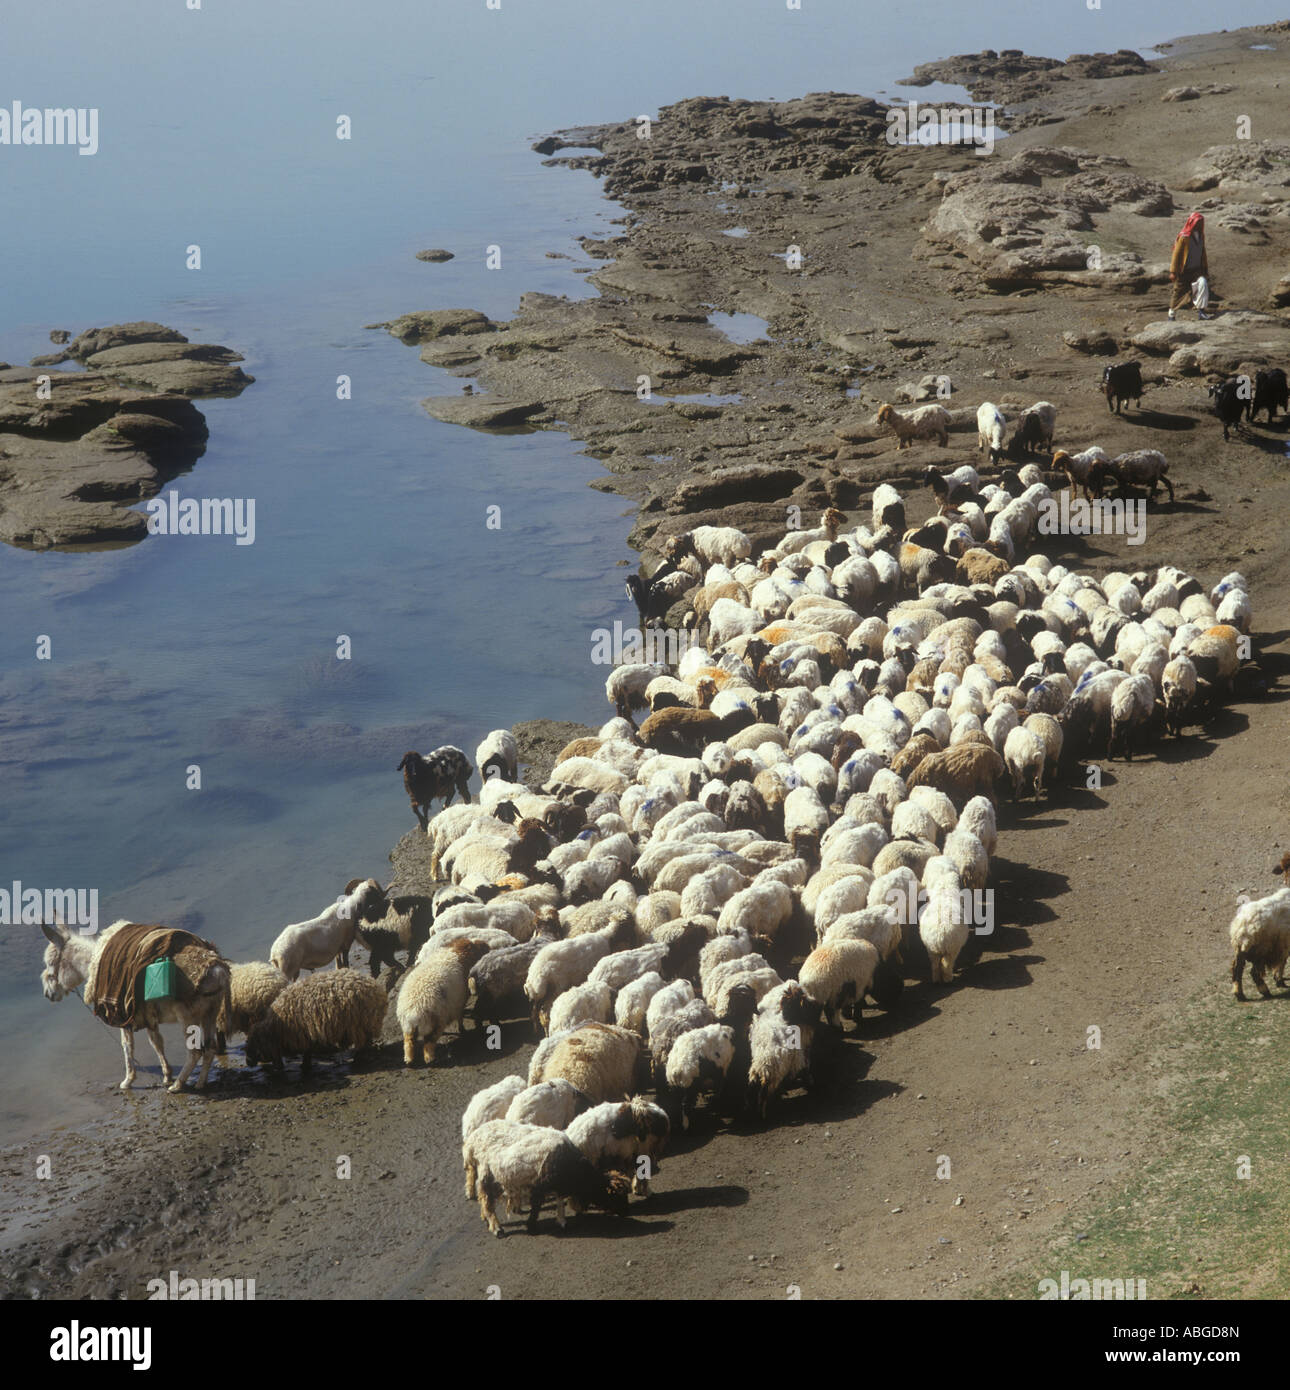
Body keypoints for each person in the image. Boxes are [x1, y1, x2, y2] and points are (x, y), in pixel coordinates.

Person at [1168, 212, 1210, 320]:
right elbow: (1176, 254)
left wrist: (1205, 268)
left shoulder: (1201, 236)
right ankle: (1171, 314)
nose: (1199, 224)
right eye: (1197, 222)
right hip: (1184, 271)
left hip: (1197, 270)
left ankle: (1201, 311)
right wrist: (1173, 271)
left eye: (1201, 222)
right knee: (1178, 292)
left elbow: (1202, 252)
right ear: (1192, 223)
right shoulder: (1184, 237)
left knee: (1203, 284)